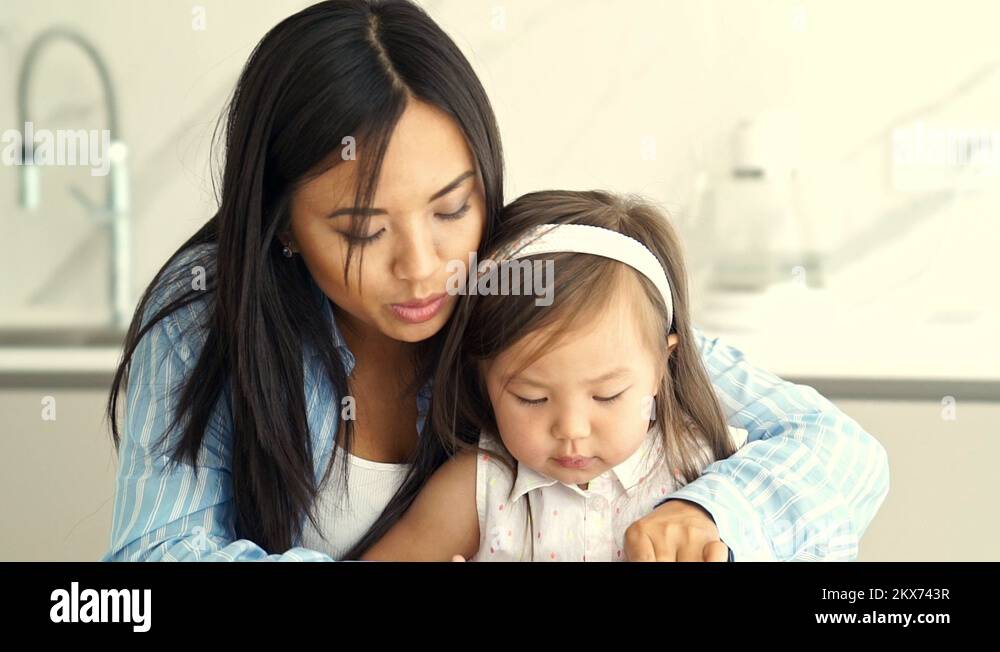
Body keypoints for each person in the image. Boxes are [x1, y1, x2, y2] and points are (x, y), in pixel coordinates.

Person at [103, 0, 888, 562]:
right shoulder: (206, 317)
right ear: (278, 224)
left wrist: (708, 509)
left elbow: (839, 450)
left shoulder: (531, 281)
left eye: (452, 208)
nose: (424, 266)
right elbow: (155, 557)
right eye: (362, 231)